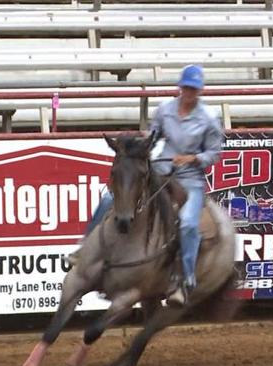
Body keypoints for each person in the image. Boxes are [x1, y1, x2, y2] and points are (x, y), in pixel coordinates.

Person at [68, 64, 224, 307]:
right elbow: (154, 136)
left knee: (189, 223)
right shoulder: (165, 110)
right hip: (161, 169)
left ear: (199, 91)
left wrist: (193, 158)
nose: (189, 92)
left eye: (193, 89)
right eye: (186, 88)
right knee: (111, 199)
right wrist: (137, 148)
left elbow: (214, 153)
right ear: (180, 88)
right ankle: (84, 249)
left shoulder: (209, 119)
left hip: (190, 177)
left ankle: (186, 277)